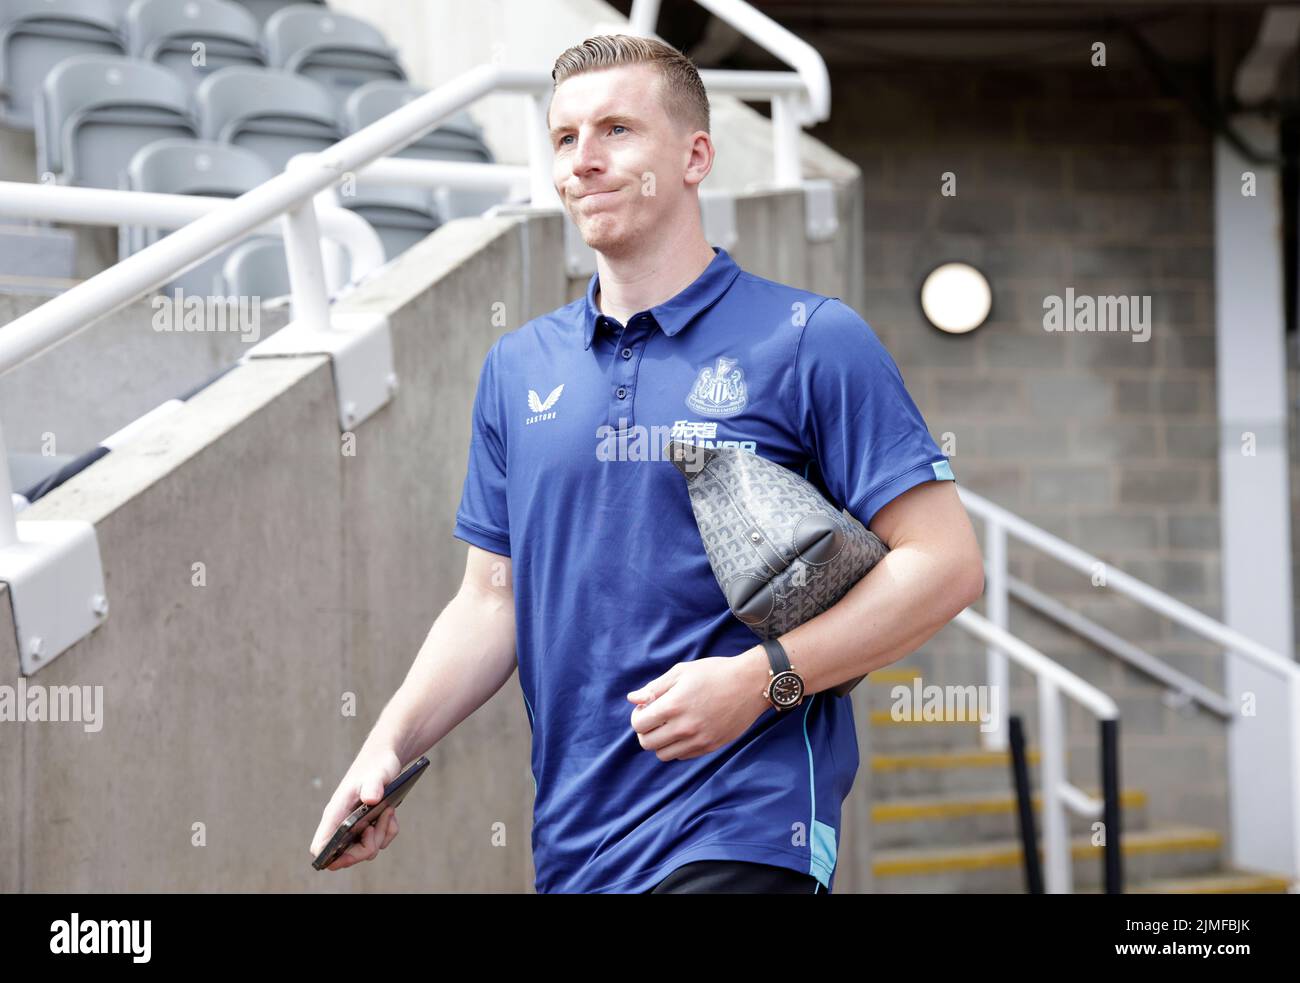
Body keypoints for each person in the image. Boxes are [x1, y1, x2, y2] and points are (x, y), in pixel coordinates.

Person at [310, 33, 985, 894]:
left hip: (743, 826)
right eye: (564, 138)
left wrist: (762, 679)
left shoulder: (811, 339)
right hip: (576, 843)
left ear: (696, 155)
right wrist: (389, 743)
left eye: (617, 131)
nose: (584, 161)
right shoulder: (519, 369)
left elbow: (947, 563)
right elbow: (491, 600)